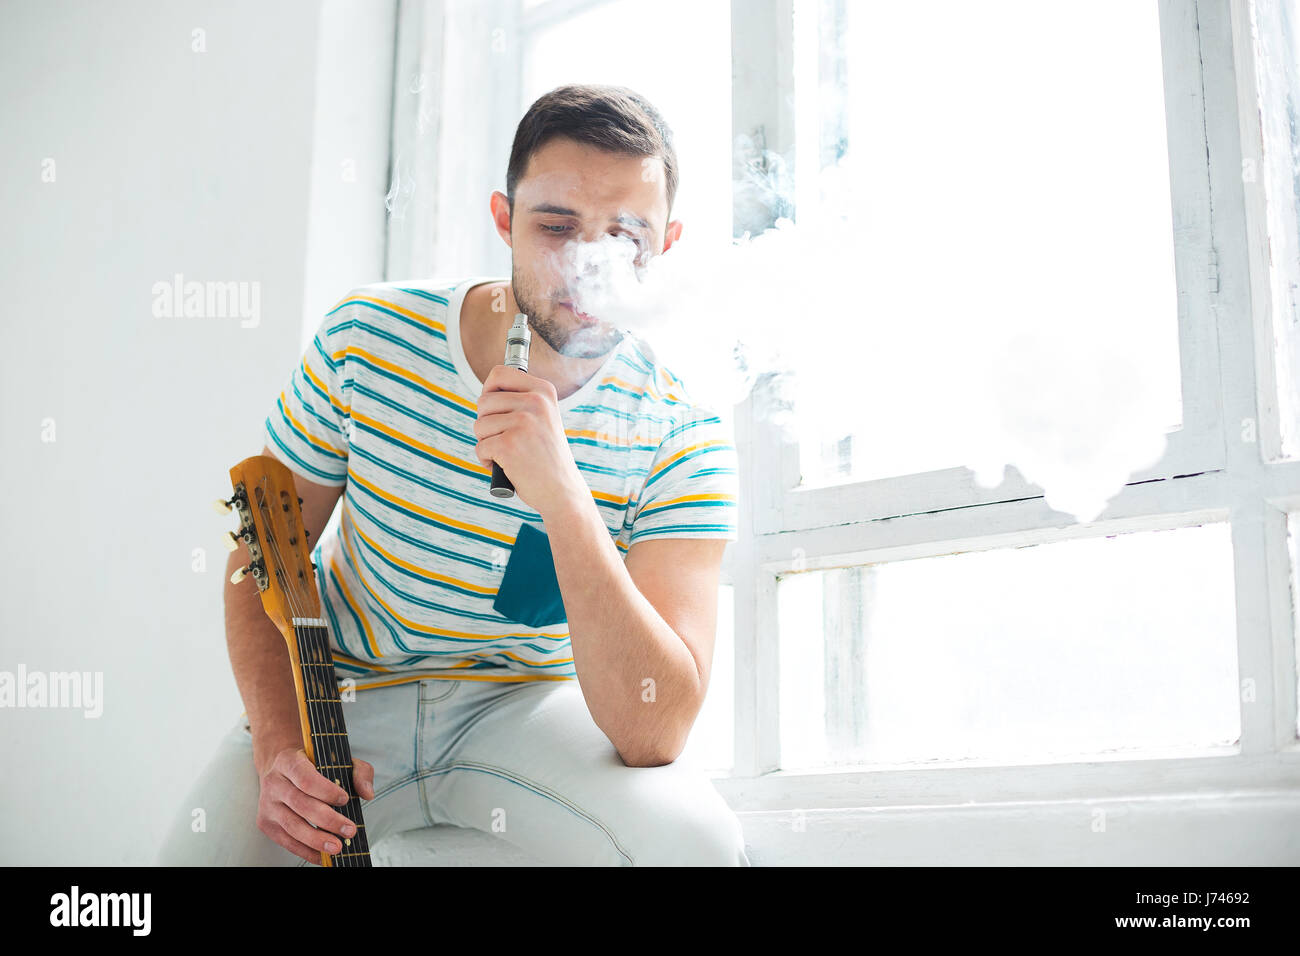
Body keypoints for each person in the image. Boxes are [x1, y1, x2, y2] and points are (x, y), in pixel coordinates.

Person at [157, 83, 748, 866]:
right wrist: (276, 744)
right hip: (342, 692)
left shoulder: (684, 427)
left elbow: (655, 730)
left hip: (523, 709)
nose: (588, 265)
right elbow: (258, 557)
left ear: (666, 243)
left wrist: (565, 499)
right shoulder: (365, 338)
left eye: (625, 235)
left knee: (698, 848)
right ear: (503, 218)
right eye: (556, 225)